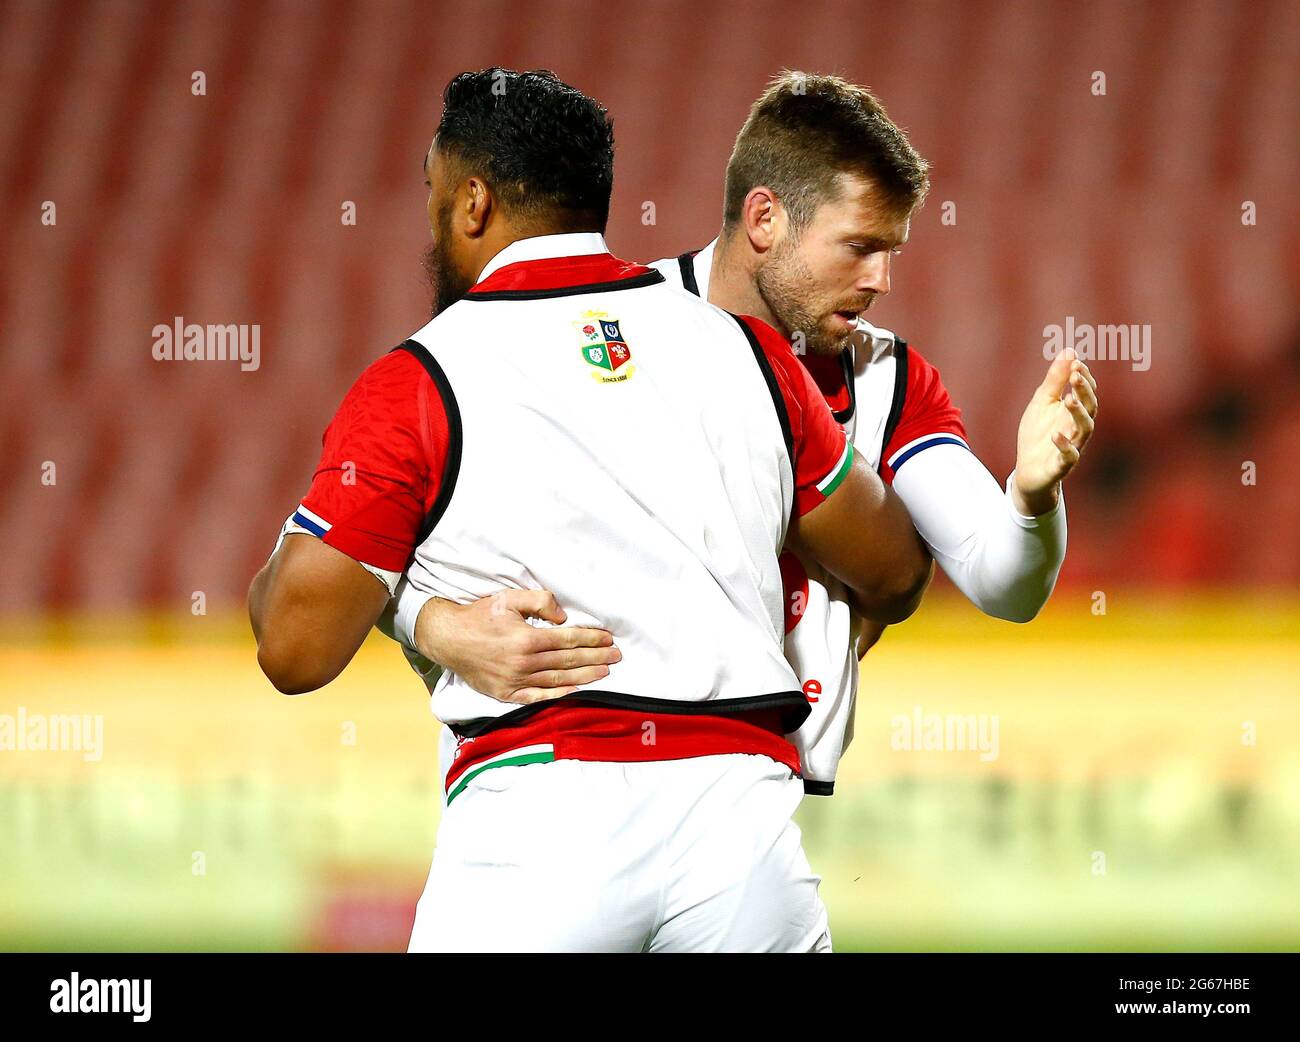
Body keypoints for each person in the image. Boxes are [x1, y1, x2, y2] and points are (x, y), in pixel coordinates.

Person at [249, 68, 932, 952]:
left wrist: (424, 613)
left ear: (472, 202)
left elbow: (294, 647)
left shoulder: (419, 382)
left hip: (539, 821)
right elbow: (895, 568)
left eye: (431, 190)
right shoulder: (753, 358)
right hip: (742, 835)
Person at [394, 71, 1098, 796]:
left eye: (892, 249)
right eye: (858, 246)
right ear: (764, 220)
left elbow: (1002, 580)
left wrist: (1032, 496)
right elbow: (381, 541)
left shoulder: (889, 380)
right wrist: (433, 623)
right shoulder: (610, 329)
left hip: (755, 790)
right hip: (577, 771)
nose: (883, 278)